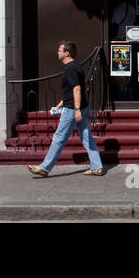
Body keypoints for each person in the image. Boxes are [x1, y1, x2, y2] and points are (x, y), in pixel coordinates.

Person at [28, 40, 104, 177]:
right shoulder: (76, 67)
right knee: (87, 138)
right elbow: (72, 90)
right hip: (81, 107)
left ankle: (45, 167)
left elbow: (77, 89)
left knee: (59, 138)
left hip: (73, 110)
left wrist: (76, 110)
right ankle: (97, 166)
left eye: (60, 50)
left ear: (66, 53)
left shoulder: (70, 69)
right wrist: (60, 103)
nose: (57, 52)